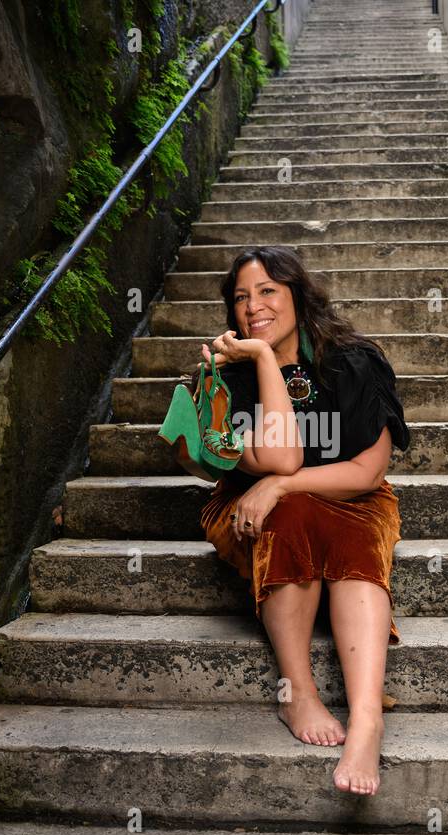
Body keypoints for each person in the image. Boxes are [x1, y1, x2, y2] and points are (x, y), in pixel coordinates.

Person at [173, 245, 411, 797]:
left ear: (298, 297)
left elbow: (368, 471)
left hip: (349, 498)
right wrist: (260, 359)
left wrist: (282, 484)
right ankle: (297, 691)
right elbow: (279, 458)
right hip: (247, 507)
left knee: (347, 525)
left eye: (267, 291)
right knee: (292, 511)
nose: (252, 306)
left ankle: (367, 721)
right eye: (240, 298)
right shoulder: (224, 379)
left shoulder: (352, 362)